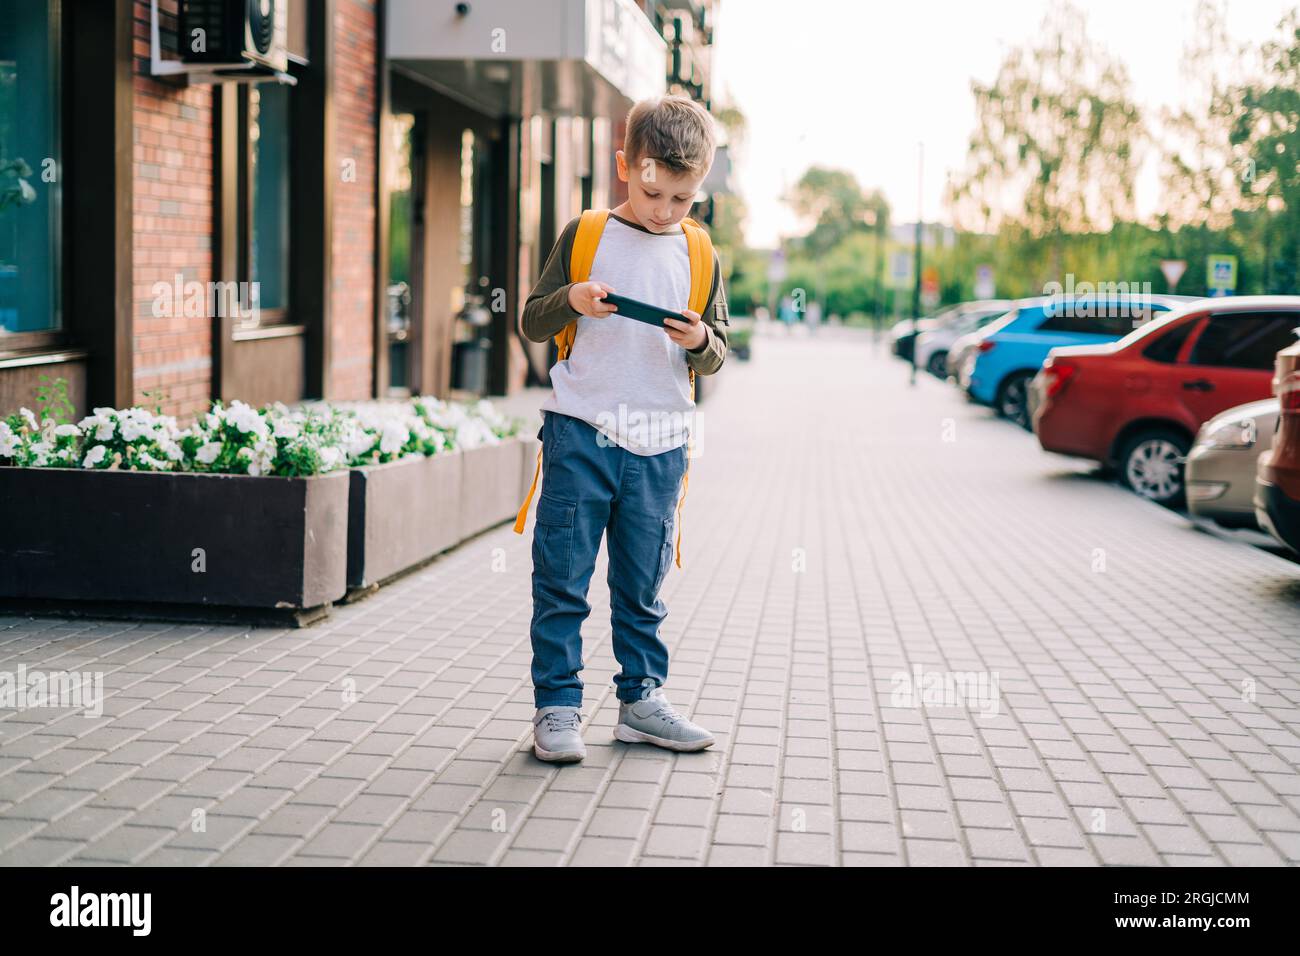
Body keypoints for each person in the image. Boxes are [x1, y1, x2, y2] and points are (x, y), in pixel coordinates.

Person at [518, 95, 729, 762]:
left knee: (642, 588)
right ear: (623, 165)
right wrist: (571, 299)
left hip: (661, 443)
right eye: (653, 190)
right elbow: (532, 320)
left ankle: (641, 702)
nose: (665, 209)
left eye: (682, 197)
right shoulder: (584, 234)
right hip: (581, 433)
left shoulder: (698, 252)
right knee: (563, 580)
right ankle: (557, 708)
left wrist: (699, 337)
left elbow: (719, 350)